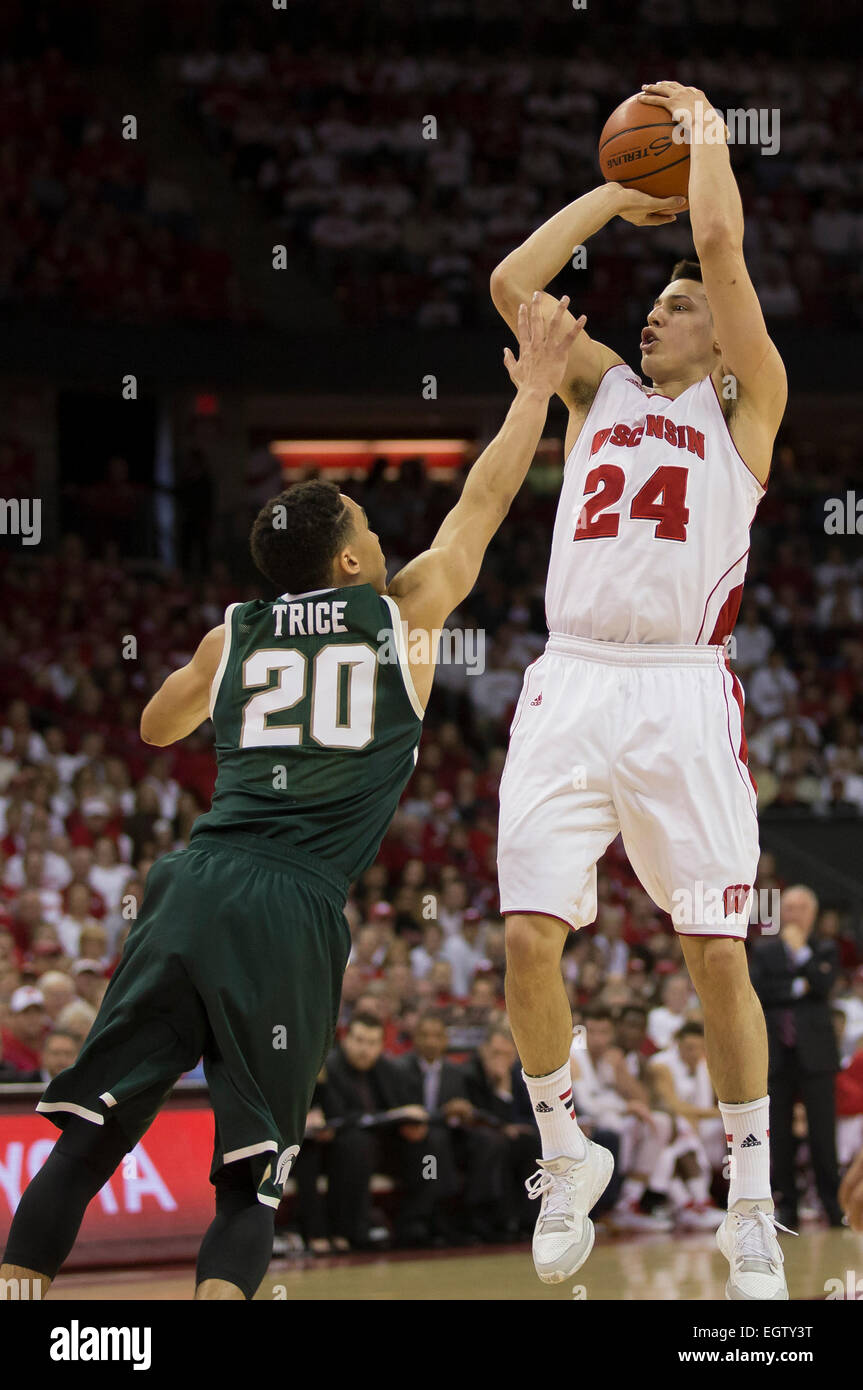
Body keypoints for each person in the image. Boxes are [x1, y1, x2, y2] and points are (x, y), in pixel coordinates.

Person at [1, 293, 580, 1301]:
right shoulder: (403, 616)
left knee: (92, 1137)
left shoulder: (231, 635)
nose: (384, 543)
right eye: (368, 529)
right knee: (250, 1185)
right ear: (351, 561)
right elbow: (480, 504)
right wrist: (533, 387)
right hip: (291, 903)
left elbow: (153, 727)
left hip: (189, 882)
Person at [490, 80, 791, 1296]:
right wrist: (611, 196)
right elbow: (516, 287)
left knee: (715, 952)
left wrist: (706, 138)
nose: (655, 315)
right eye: (653, 305)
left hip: (679, 689)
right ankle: (566, 1155)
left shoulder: (747, 408)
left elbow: (715, 242)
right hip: (569, 678)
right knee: (524, 935)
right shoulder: (600, 387)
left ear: (719, 333)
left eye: (675, 309)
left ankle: (750, 1203)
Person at [749, 884, 843, 1228]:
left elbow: (823, 985)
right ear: (780, 913)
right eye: (789, 908)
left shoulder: (825, 948)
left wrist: (801, 957)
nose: (794, 915)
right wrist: (800, 984)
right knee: (780, 1135)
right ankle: (785, 1206)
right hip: (776, 1053)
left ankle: (833, 1205)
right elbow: (759, 992)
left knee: (823, 1132)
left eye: (802, 908)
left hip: (816, 1054)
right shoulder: (764, 949)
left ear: (813, 914)